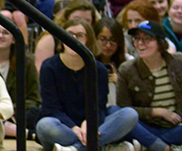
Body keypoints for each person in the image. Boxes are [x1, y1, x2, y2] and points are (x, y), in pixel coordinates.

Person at [36, 19, 138, 151]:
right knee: (44, 125)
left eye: (79, 35)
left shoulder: (98, 69)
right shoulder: (49, 67)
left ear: (88, 40)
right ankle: (100, 146)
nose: (73, 39)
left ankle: (76, 149)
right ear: (61, 38)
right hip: (63, 127)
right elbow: (51, 108)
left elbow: (98, 106)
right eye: (69, 34)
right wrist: (74, 128)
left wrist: (88, 124)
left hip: (90, 127)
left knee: (130, 114)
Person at [117, 20, 182, 151]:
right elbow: (124, 109)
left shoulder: (179, 62)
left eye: (147, 39)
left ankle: (153, 144)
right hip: (147, 125)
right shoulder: (128, 70)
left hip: (178, 125)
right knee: (122, 119)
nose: (140, 43)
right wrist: (156, 112)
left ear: (160, 43)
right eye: (137, 39)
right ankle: (164, 145)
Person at [0, 15, 41, 139]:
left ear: (14, 39)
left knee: (37, 113)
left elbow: (34, 99)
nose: (0, 36)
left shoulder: (26, 62)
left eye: (5, 32)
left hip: (18, 113)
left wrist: (10, 109)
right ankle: (26, 133)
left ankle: (8, 128)